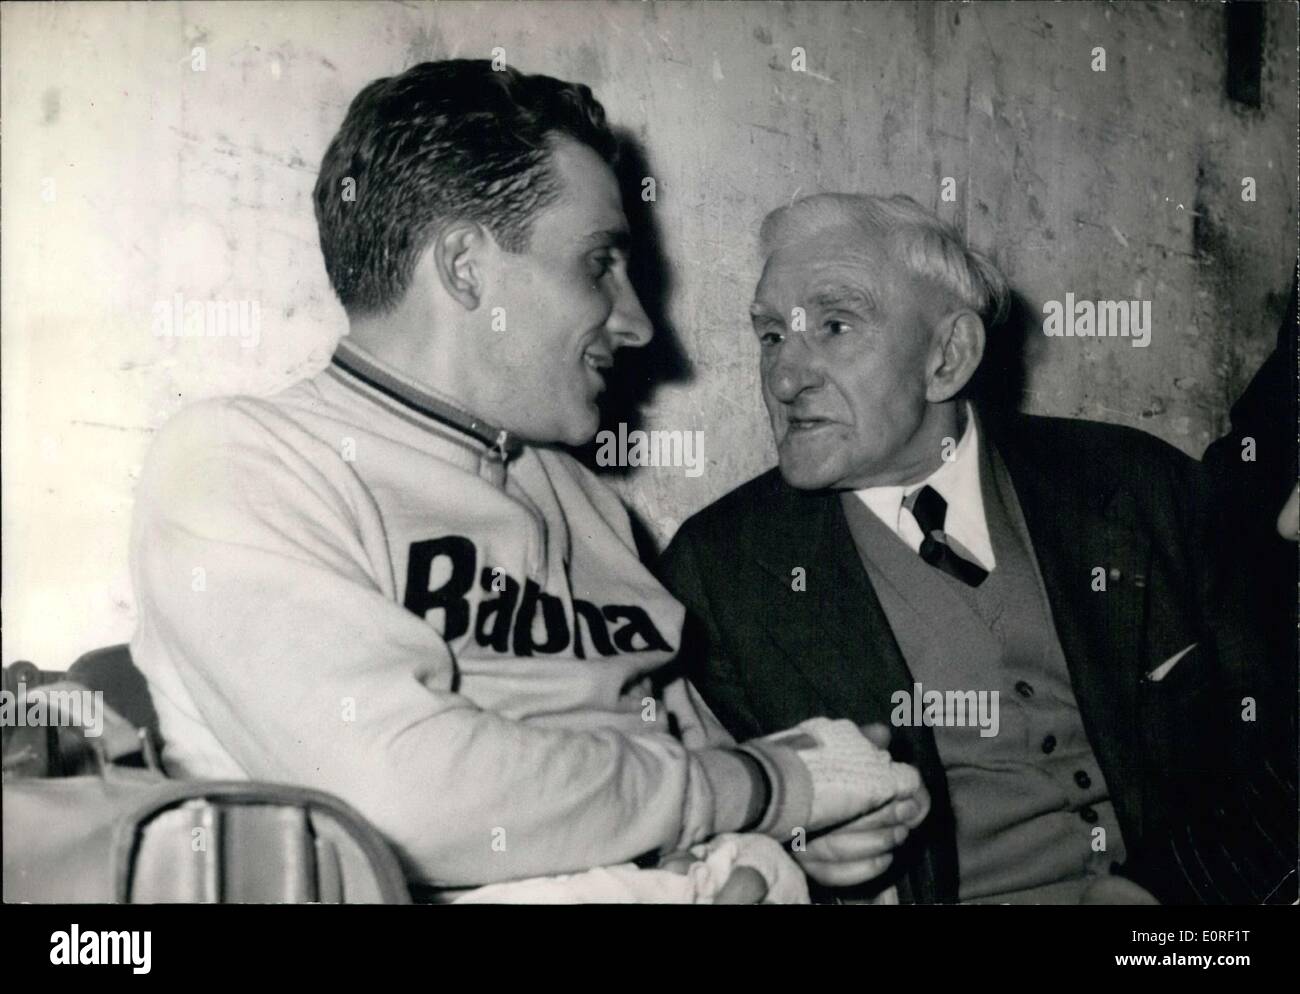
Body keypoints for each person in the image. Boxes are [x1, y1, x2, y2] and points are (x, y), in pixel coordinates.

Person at [128, 62, 928, 901]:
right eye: (598, 264)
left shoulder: (582, 503)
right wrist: (763, 791)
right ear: (467, 268)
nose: (637, 322)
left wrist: (790, 838)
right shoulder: (240, 463)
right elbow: (403, 797)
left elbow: (691, 772)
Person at [657, 192, 1297, 904]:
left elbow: (1282, 750)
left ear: (949, 356)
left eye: (834, 326)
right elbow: (702, 840)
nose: (783, 378)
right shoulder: (719, 571)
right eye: (772, 335)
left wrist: (1167, 899)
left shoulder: (1140, 488)